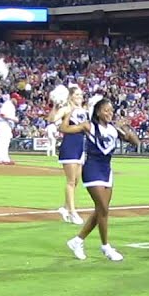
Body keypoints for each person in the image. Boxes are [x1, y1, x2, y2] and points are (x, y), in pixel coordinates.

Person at [63, 95, 142, 262]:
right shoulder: (88, 125)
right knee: (103, 209)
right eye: (106, 110)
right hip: (92, 169)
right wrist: (68, 114)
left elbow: (136, 142)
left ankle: (77, 241)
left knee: (101, 210)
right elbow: (64, 129)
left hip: (107, 171)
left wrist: (126, 127)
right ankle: (106, 247)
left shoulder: (114, 129)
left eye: (111, 111)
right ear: (98, 112)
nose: (109, 113)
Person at [51, 85, 87, 225]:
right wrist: (55, 105)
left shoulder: (84, 110)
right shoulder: (66, 108)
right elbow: (53, 119)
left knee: (77, 181)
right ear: (71, 96)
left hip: (81, 146)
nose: (80, 97)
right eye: (77, 95)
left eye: (81, 95)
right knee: (71, 181)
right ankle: (72, 212)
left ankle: (65, 208)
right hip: (70, 145)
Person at [0, 89, 17, 165]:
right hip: (4, 124)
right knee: (4, 141)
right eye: (16, 99)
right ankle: (2, 158)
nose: (17, 101)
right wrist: (13, 119)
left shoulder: (10, 105)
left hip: (5, 124)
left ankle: (1, 158)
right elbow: (2, 114)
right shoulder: (8, 104)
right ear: (12, 98)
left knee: (3, 142)